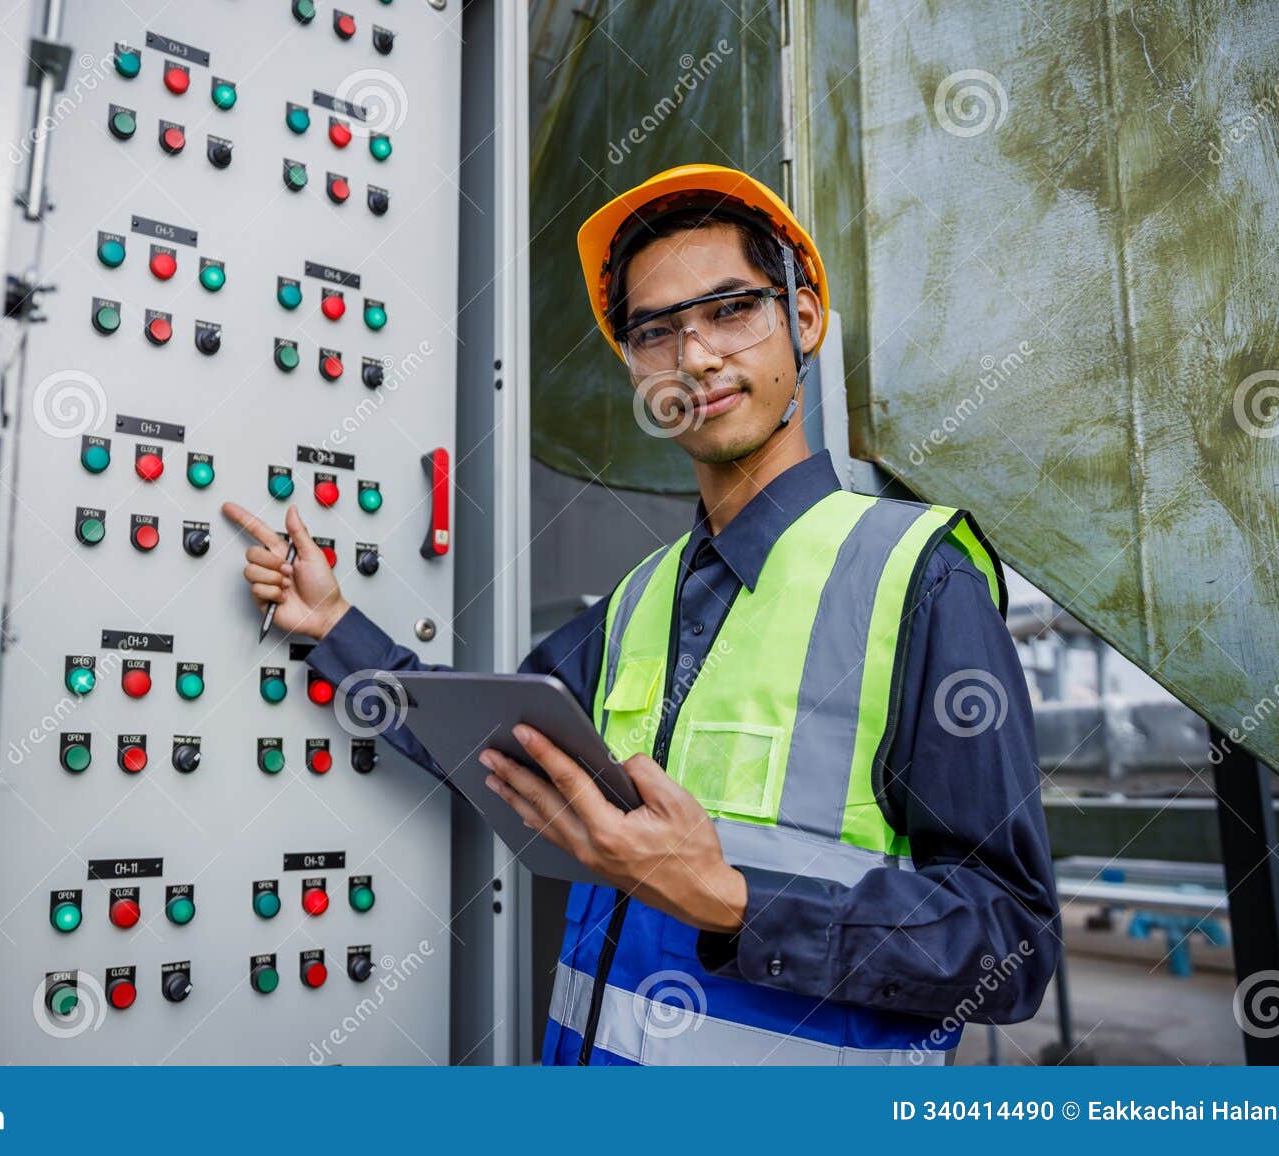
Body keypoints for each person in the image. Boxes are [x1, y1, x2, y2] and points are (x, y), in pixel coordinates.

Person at [223, 163, 1059, 1066]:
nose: (695, 358)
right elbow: (487, 741)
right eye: (656, 332)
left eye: (733, 309)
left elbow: (1011, 942)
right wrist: (333, 624)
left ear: (804, 321)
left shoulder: (919, 577)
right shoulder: (637, 601)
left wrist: (732, 900)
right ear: (634, 369)